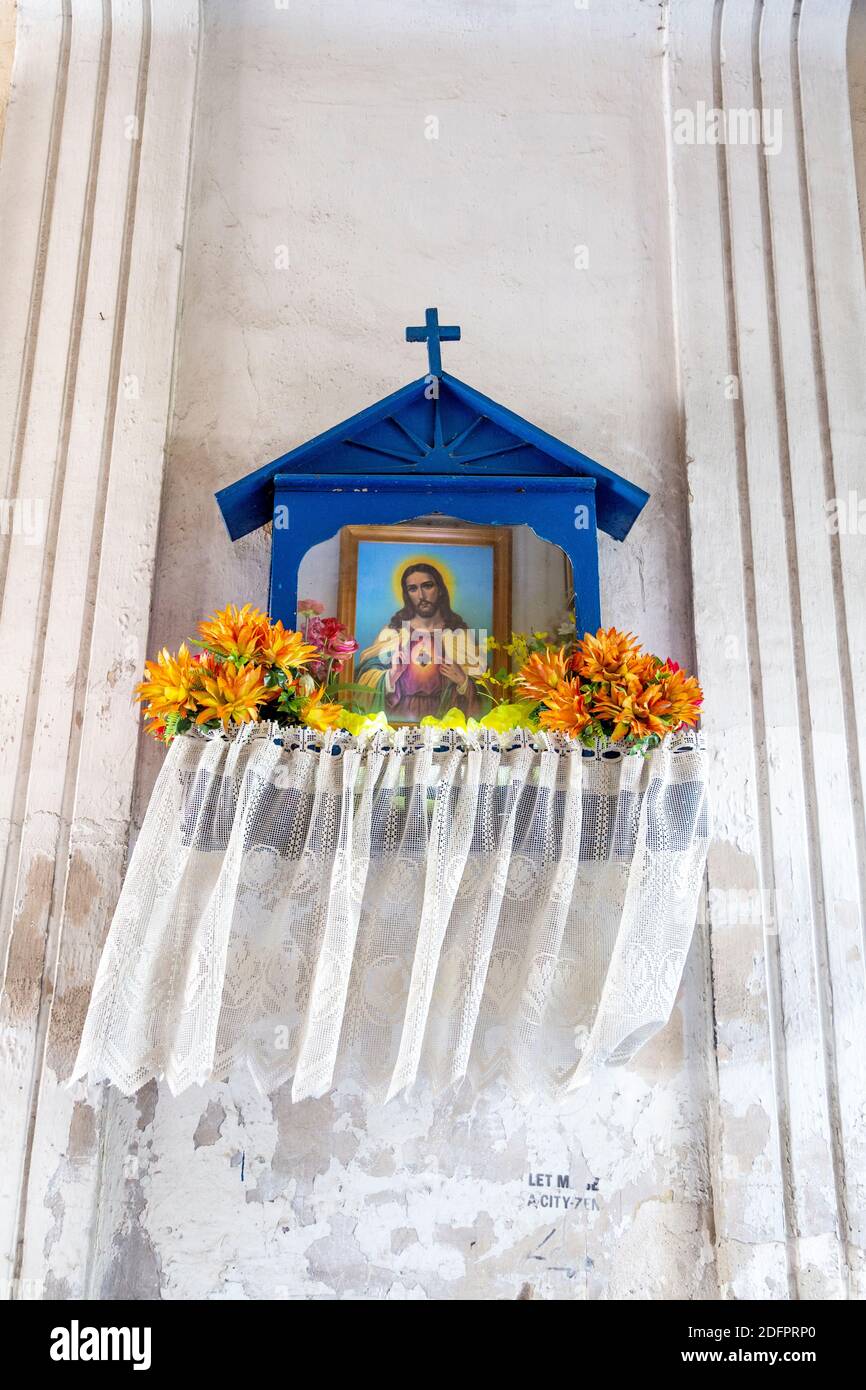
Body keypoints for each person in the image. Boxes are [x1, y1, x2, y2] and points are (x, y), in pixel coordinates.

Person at [355, 563, 485, 720]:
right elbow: (363, 682)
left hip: (444, 723)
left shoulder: (458, 635)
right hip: (398, 722)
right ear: (407, 594)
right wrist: (391, 676)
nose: (421, 595)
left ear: (440, 589)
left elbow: (486, 693)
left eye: (427, 586)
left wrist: (463, 681)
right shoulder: (393, 632)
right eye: (413, 589)